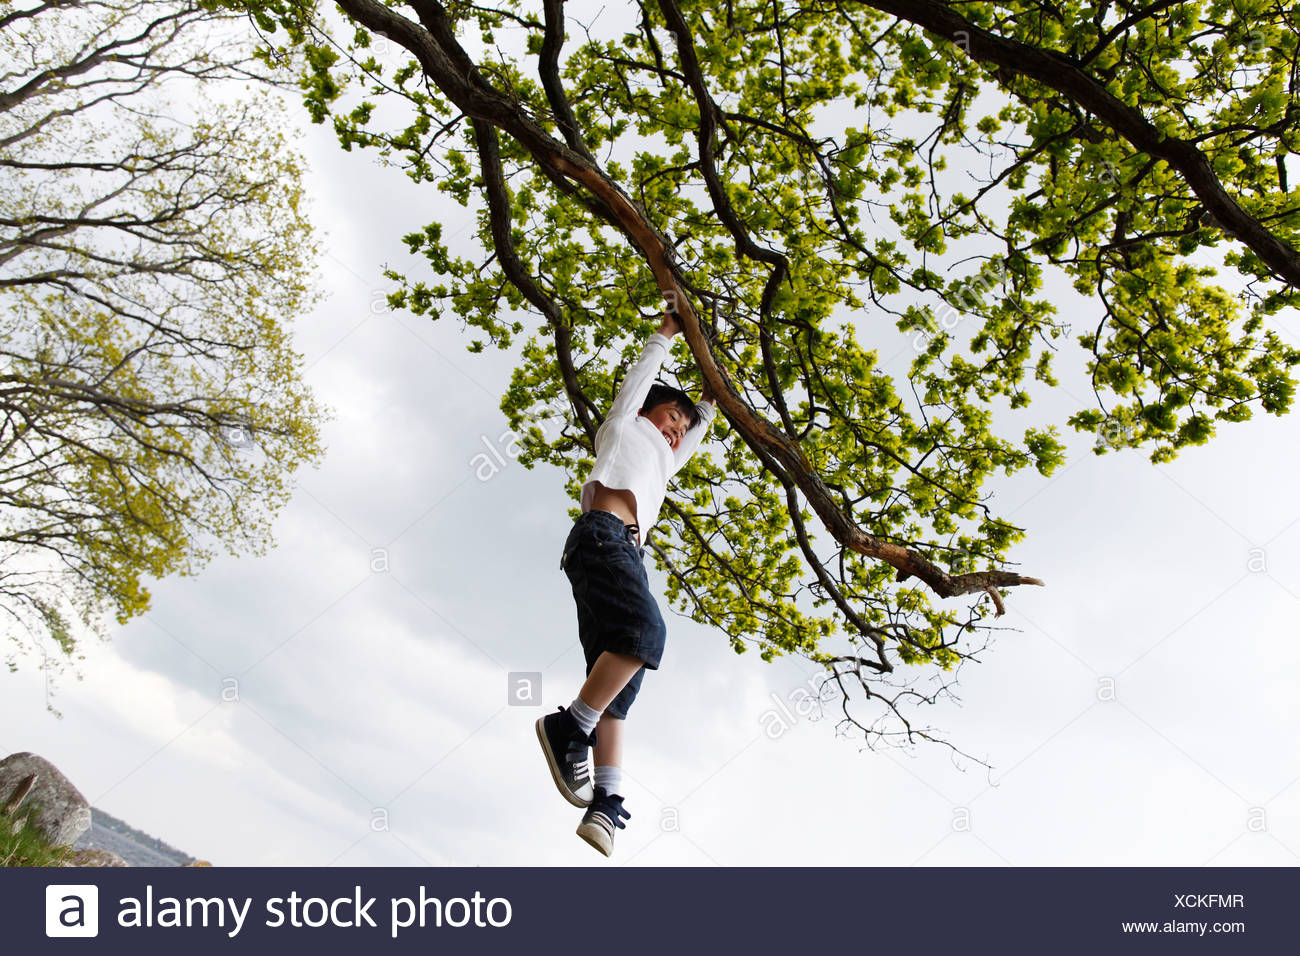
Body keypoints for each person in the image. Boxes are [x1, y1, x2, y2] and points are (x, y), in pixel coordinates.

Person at [535, 307, 717, 856]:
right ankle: (570, 728)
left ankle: (606, 801)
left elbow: (705, 419)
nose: (675, 429)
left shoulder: (664, 460)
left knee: (619, 683)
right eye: (668, 418)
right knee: (646, 633)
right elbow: (641, 376)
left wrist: (711, 394)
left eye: (681, 429)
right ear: (645, 412)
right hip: (601, 536)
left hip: (625, 553)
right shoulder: (623, 425)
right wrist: (669, 330)